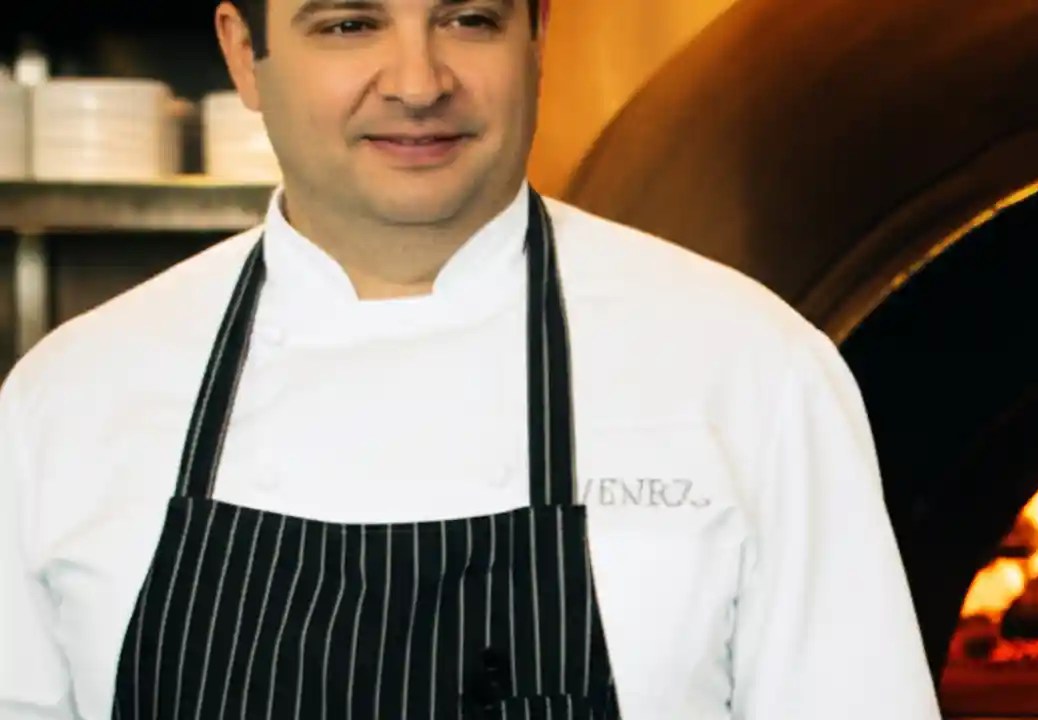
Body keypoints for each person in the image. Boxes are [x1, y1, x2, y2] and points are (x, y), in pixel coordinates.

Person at [0, 0, 941, 717]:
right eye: (349, 24)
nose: (418, 82)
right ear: (245, 53)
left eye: (470, 19)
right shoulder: (67, 401)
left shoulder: (753, 372)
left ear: (538, 38)